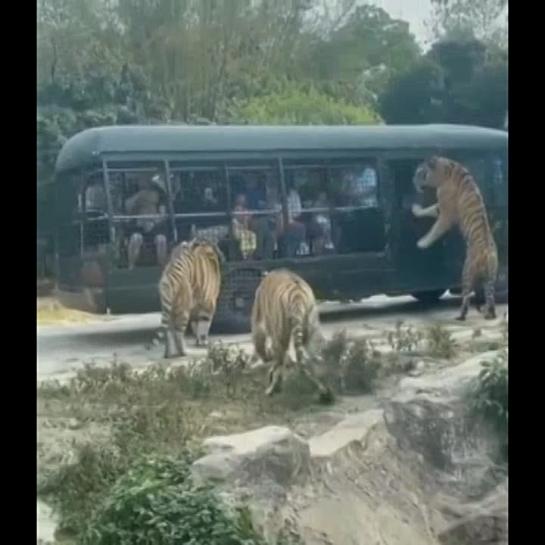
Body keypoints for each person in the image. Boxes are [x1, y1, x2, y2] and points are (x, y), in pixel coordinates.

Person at [125, 174, 168, 269]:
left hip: (155, 225)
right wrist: (140, 196)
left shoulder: (159, 192)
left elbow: (163, 214)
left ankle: (162, 267)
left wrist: (153, 222)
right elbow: (127, 208)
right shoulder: (132, 190)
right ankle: (131, 267)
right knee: (136, 238)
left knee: (161, 240)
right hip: (137, 225)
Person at [232, 194, 257, 259]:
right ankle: (244, 256)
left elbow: (249, 219)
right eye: (240, 200)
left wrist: (247, 218)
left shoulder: (246, 209)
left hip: (245, 229)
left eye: (243, 200)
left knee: (252, 235)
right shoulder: (236, 209)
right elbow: (238, 218)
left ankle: (250, 254)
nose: (242, 202)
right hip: (237, 228)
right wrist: (244, 217)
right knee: (243, 236)